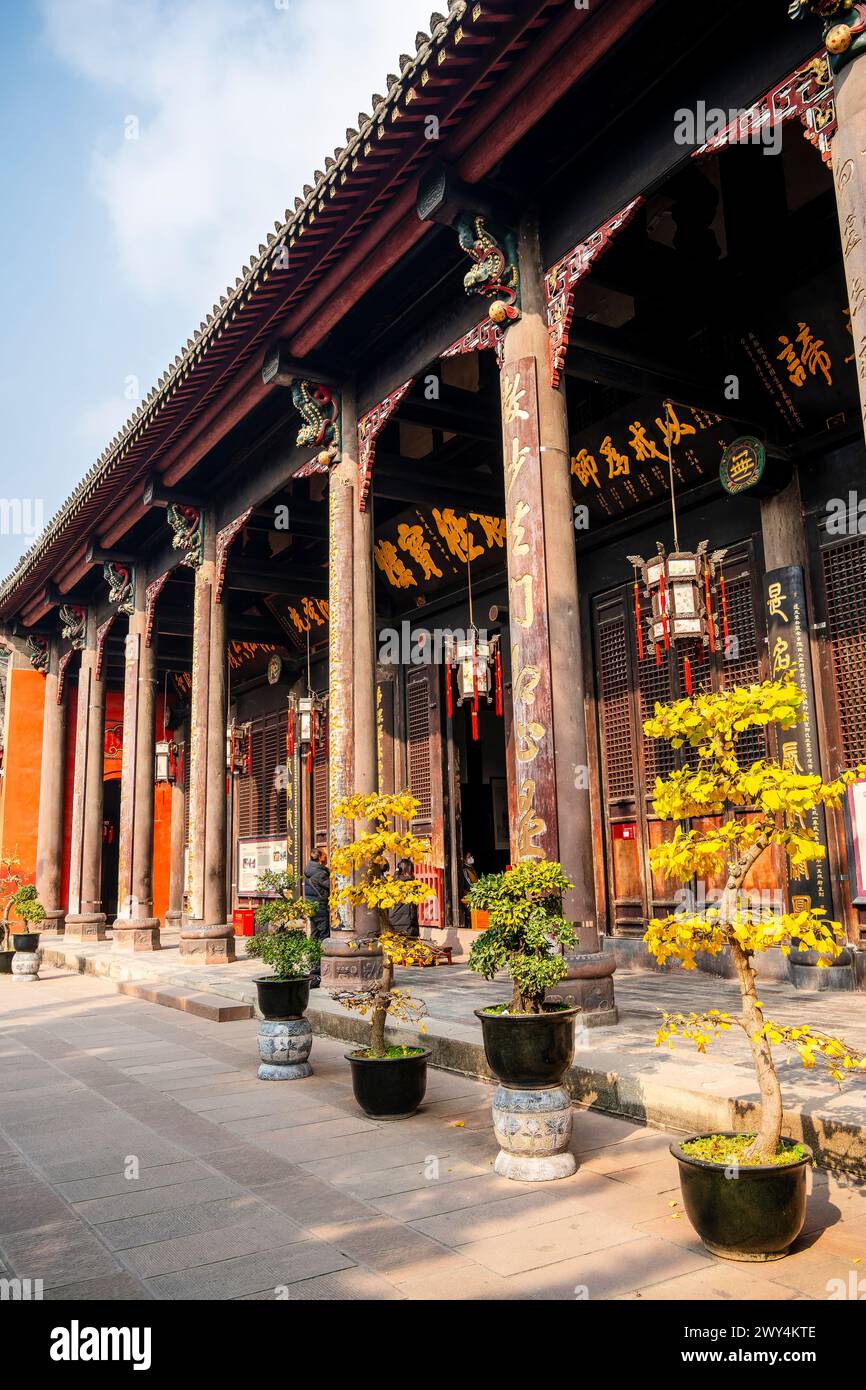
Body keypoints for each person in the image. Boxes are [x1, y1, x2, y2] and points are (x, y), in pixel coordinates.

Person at [303, 847, 330, 987]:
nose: (326, 857)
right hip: (320, 908)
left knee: (314, 936)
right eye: (324, 855)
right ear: (319, 857)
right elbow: (332, 887)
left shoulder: (309, 869)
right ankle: (320, 968)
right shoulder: (320, 873)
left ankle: (314, 965)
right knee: (323, 937)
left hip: (312, 908)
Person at [388, 857, 420, 938]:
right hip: (408, 925)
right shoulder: (412, 884)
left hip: (392, 922)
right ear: (409, 870)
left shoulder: (391, 884)